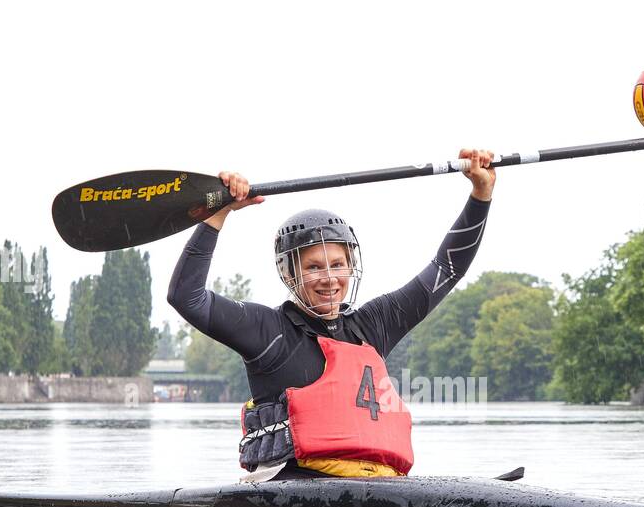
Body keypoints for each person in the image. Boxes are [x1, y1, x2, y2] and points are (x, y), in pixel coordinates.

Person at [168, 148, 495, 481]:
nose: (328, 278)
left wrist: (480, 194)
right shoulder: (267, 331)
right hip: (293, 492)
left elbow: (446, 269)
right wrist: (218, 216)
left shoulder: (374, 325)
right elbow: (186, 297)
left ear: (351, 266)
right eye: (313, 267)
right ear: (290, 275)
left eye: (337, 265)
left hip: (378, 487)